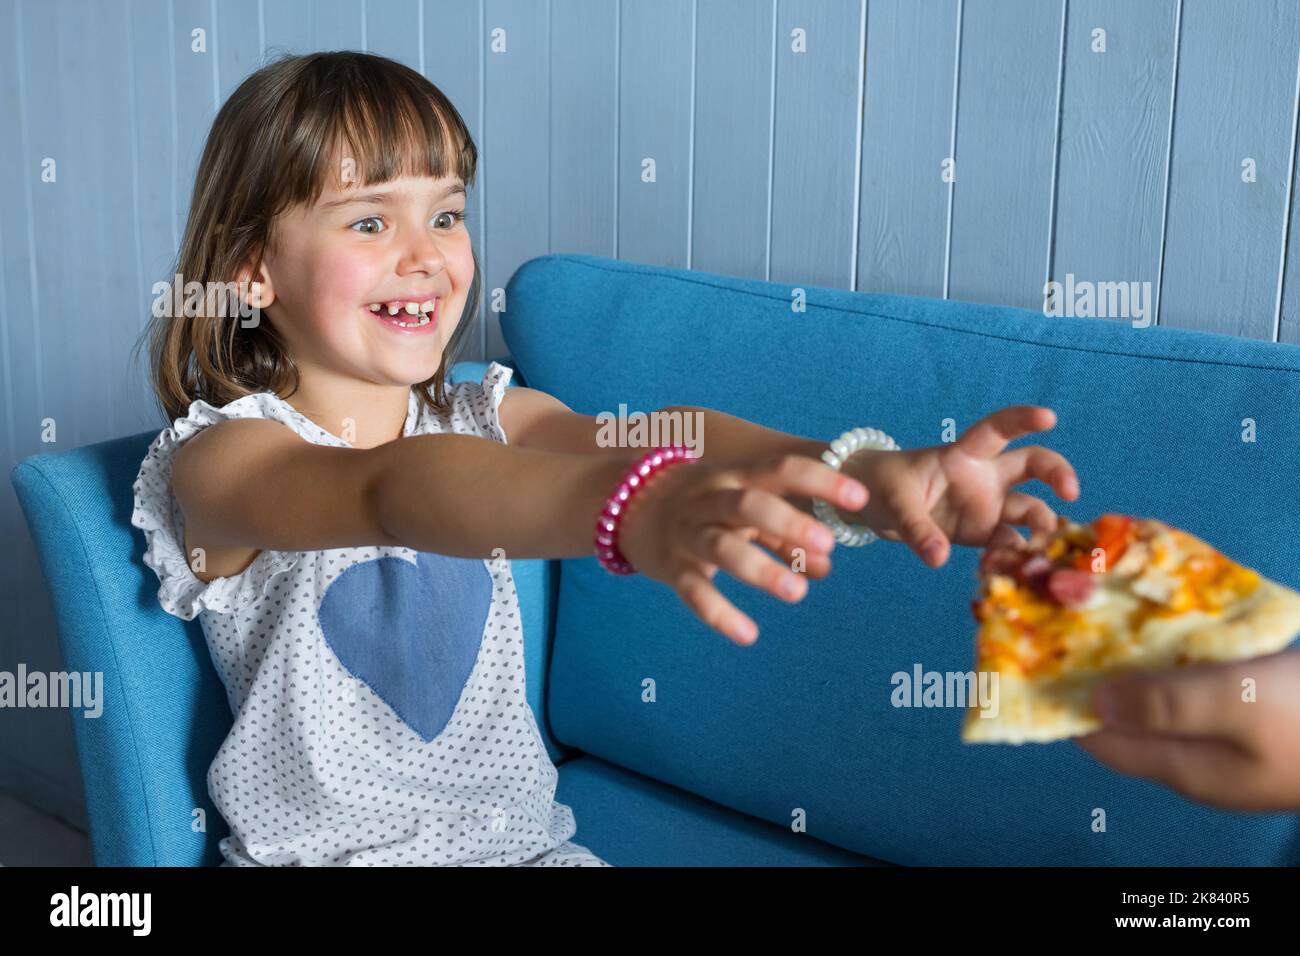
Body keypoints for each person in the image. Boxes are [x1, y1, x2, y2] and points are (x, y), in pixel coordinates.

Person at [130, 51, 1078, 866]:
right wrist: (632, 509)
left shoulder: (484, 409)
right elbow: (389, 491)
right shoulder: (223, 460)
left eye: (447, 215)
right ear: (251, 266)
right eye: (370, 222)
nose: (425, 256)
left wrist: (868, 480)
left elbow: (667, 433)